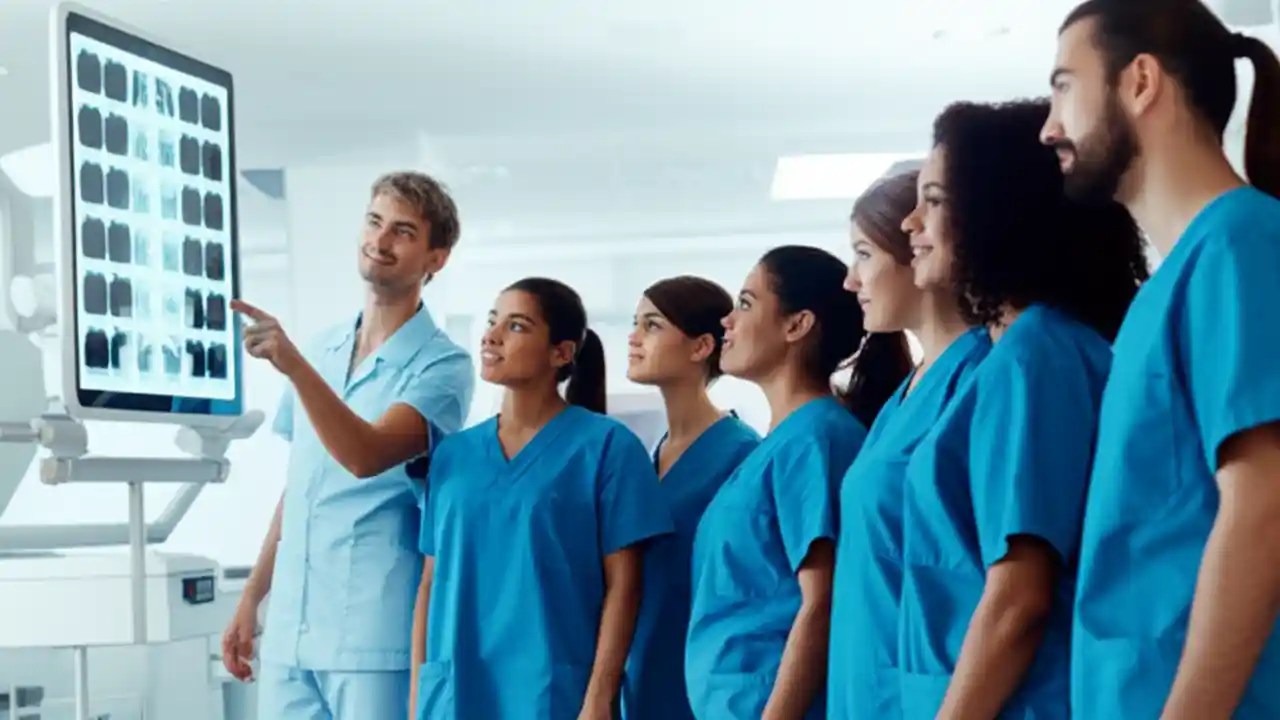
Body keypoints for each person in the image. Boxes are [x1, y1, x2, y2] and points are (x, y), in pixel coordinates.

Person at [1042, 2, 1280, 716]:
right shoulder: (1165, 290)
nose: (1049, 127)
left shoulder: (1242, 244)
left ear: (1139, 81)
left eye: (1063, 87)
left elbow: (1264, 508)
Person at [895, 99, 1148, 719]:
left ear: (993, 211)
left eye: (933, 199)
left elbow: (1019, 599)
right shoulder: (1016, 355)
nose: (909, 223)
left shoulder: (1037, 356)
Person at [223, 172, 475, 719]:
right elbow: (301, 490)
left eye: (403, 232)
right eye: (374, 221)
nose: (380, 241)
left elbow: (365, 455)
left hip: (371, 635)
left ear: (436, 258)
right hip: (291, 632)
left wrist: (292, 365)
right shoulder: (322, 348)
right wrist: (253, 596)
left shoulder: (443, 366)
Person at [410, 278, 673, 719]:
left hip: (551, 693)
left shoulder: (606, 447)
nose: (491, 335)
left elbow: (625, 586)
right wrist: (418, 701)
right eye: (492, 321)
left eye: (516, 326)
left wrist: (599, 698)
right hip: (455, 692)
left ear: (561, 353)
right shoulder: (454, 455)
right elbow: (429, 583)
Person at [684, 246, 913, 719]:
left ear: (796, 325)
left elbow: (822, 602)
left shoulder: (816, 440)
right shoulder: (783, 443)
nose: (727, 320)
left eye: (745, 304)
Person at [826, 170, 990, 718]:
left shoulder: (981, 376)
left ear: (916, 250)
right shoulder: (904, 395)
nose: (851, 281)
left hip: (930, 695)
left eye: (864, 255)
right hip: (868, 684)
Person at [622, 276, 762, 720]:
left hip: (703, 676)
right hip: (642, 665)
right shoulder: (651, 455)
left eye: (652, 325)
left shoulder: (741, 454)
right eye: (634, 323)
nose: (634, 337)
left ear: (701, 346)